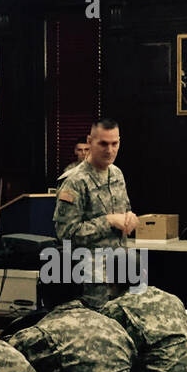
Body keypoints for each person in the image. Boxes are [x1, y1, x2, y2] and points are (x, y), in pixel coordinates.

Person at [53, 118, 136, 302]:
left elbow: (125, 210)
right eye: (103, 144)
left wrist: (130, 218)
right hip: (90, 279)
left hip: (120, 272)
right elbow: (66, 234)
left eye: (115, 143)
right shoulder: (74, 181)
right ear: (90, 142)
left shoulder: (116, 174)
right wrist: (108, 221)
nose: (110, 150)